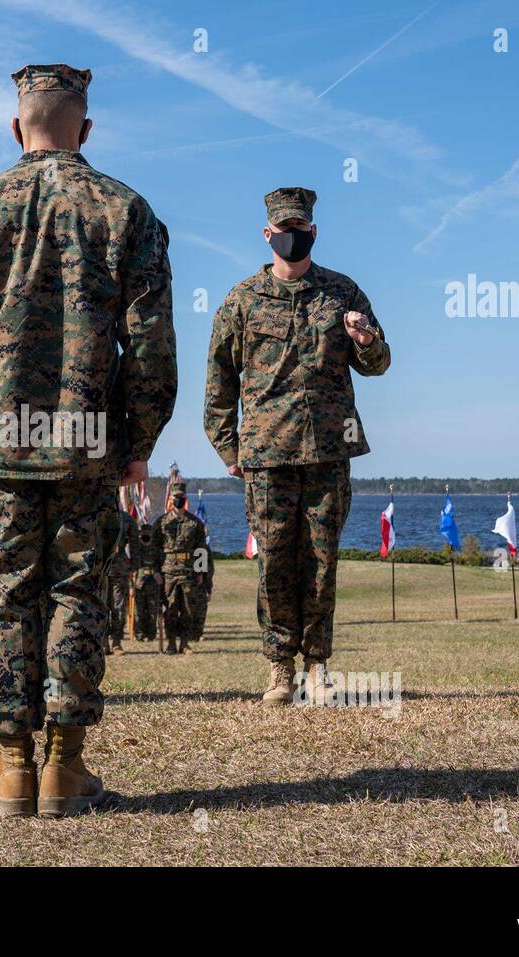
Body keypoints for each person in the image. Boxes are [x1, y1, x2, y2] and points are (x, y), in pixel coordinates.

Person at [0, 64, 176, 817]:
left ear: (15, 126)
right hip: (87, 440)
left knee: (3, 593)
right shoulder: (126, 210)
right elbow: (151, 341)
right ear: (85, 129)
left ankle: (11, 767)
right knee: (78, 593)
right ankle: (65, 765)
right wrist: (140, 437)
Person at [204, 186, 390, 704]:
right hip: (266, 458)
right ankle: (279, 667)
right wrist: (229, 449)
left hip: (328, 453)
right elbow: (218, 380)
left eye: (300, 231)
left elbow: (380, 364)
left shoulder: (342, 293)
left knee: (321, 564)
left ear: (314, 232)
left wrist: (366, 339)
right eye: (283, 231)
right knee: (275, 564)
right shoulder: (242, 300)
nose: (292, 238)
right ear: (268, 235)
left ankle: (318, 666)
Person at [153, 481, 210, 654]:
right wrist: (155, 571)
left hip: (188, 571)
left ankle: (185, 643)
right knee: (170, 609)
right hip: (168, 571)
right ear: (170, 499)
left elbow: (201, 548)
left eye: (181, 497)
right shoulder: (162, 522)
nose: (178, 500)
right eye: (175, 497)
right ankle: (171, 643)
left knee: (187, 608)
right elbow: (154, 549)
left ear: (185, 499)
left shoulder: (195, 523)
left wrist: (200, 572)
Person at [104, 508, 140, 655]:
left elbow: (135, 544)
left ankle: (117, 642)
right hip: (100, 570)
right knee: (101, 606)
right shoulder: (98, 515)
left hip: (120, 569)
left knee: (118, 607)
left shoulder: (126, 519)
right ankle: (103, 642)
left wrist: (134, 567)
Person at [131, 521, 163, 644]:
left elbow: (160, 564)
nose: (145, 535)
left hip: (153, 582)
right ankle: (139, 634)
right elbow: (132, 566)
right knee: (139, 610)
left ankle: (151, 634)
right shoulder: (136, 548)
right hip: (139, 582)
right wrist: (131, 584)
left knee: (152, 609)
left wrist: (158, 574)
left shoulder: (156, 548)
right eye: (143, 533)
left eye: (148, 533)